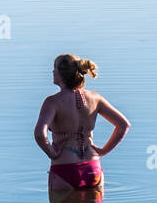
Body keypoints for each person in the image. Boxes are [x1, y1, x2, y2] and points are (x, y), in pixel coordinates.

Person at [34, 54, 130, 190]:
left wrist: (51, 153)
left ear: (61, 74)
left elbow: (39, 134)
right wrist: (103, 151)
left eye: (54, 68)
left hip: (64, 169)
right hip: (93, 167)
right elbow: (123, 125)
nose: (52, 72)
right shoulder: (95, 98)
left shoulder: (52, 102)